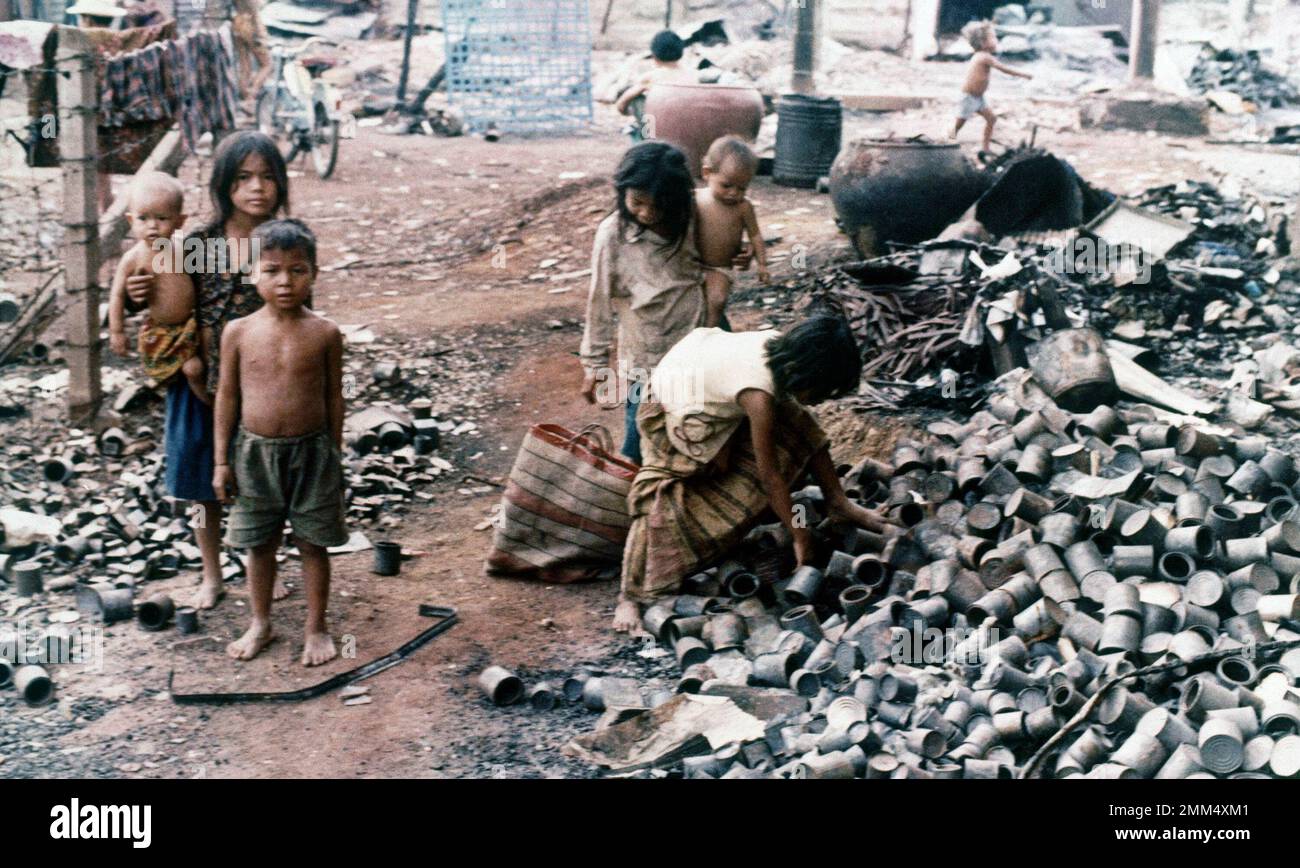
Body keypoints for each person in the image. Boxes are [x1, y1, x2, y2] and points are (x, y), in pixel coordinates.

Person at [612, 315, 890, 633]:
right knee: (665, 504)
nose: (823, 401)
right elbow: (770, 478)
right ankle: (630, 595)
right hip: (669, 410)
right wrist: (800, 535)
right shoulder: (758, 396)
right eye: (824, 393)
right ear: (808, 375)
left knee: (799, 420)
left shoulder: (777, 347)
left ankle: (839, 502)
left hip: (695, 379)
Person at [126, 131, 291, 611]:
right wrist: (138, 293)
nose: (256, 188)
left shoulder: (283, 243)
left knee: (262, 482)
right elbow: (165, 301)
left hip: (262, 385)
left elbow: (301, 309)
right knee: (201, 485)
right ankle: (212, 572)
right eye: (242, 178)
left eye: (266, 177)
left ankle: (264, 564)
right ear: (222, 185)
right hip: (198, 385)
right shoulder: (197, 244)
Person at [213, 219, 346, 667]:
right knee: (260, 544)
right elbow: (227, 396)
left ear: (314, 273)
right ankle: (261, 622)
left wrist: (335, 453)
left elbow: (333, 396)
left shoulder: (325, 333)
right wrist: (221, 462)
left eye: (297, 270)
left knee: (313, 544)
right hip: (253, 455)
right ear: (252, 273)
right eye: (272, 270)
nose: (285, 281)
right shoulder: (237, 331)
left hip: (313, 453)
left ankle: (316, 627)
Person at [580, 142, 706, 466]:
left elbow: (717, 259)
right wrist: (594, 364)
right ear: (622, 192)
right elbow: (599, 299)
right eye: (637, 202)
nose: (648, 213)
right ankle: (628, 498)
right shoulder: (612, 235)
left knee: (700, 427)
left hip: (697, 346)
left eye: (659, 206)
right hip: (644, 357)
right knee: (639, 437)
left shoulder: (692, 218)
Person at [107, 172, 207, 402]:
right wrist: (117, 331)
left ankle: (213, 408)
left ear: (180, 221)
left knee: (194, 369)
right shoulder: (133, 258)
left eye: (162, 218)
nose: (152, 226)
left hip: (192, 327)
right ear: (131, 220)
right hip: (160, 330)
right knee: (180, 373)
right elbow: (117, 295)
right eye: (143, 219)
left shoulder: (183, 249)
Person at [695, 136, 770, 330]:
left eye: (742, 188)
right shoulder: (695, 199)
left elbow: (755, 235)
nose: (733, 193)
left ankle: (708, 336)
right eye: (726, 185)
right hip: (692, 264)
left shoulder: (744, 207)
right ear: (707, 173)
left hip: (720, 267)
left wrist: (762, 264)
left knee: (717, 300)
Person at [950, 20, 1032, 154]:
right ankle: (947, 140)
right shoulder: (984, 57)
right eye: (993, 37)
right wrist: (1024, 75)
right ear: (982, 43)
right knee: (959, 123)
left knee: (991, 119)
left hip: (978, 97)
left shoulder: (983, 56)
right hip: (969, 97)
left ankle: (985, 147)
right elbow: (1004, 69)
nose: (996, 40)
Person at [615, 29, 695, 141]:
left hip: (656, 130)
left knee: (637, 98)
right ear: (681, 53)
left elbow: (621, 104)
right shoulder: (692, 74)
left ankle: (646, 139)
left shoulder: (650, 77)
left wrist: (628, 113)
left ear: (654, 55)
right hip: (687, 127)